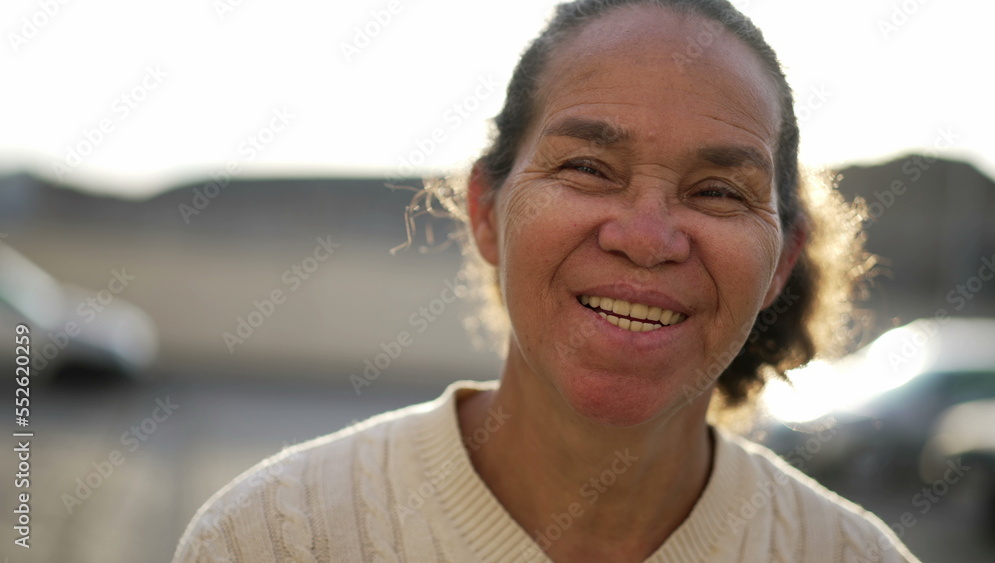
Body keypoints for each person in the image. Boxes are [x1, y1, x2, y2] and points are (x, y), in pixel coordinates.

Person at [174, 0, 919, 561]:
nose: (647, 239)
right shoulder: (275, 537)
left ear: (780, 263)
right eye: (588, 168)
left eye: (718, 191)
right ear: (485, 211)